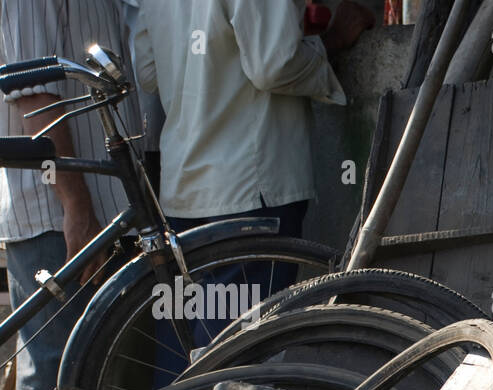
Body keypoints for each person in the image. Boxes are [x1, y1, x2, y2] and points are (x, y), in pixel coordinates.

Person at [130, 0, 373, 360]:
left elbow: (148, 72)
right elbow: (273, 66)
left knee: (187, 347)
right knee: (236, 354)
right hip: (250, 185)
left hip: (185, 184)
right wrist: (332, 40)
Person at [0, 0, 141, 390]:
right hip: (55, 210)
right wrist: (76, 204)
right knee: (54, 364)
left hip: (98, 199)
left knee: (81, 365)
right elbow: (32, 94)